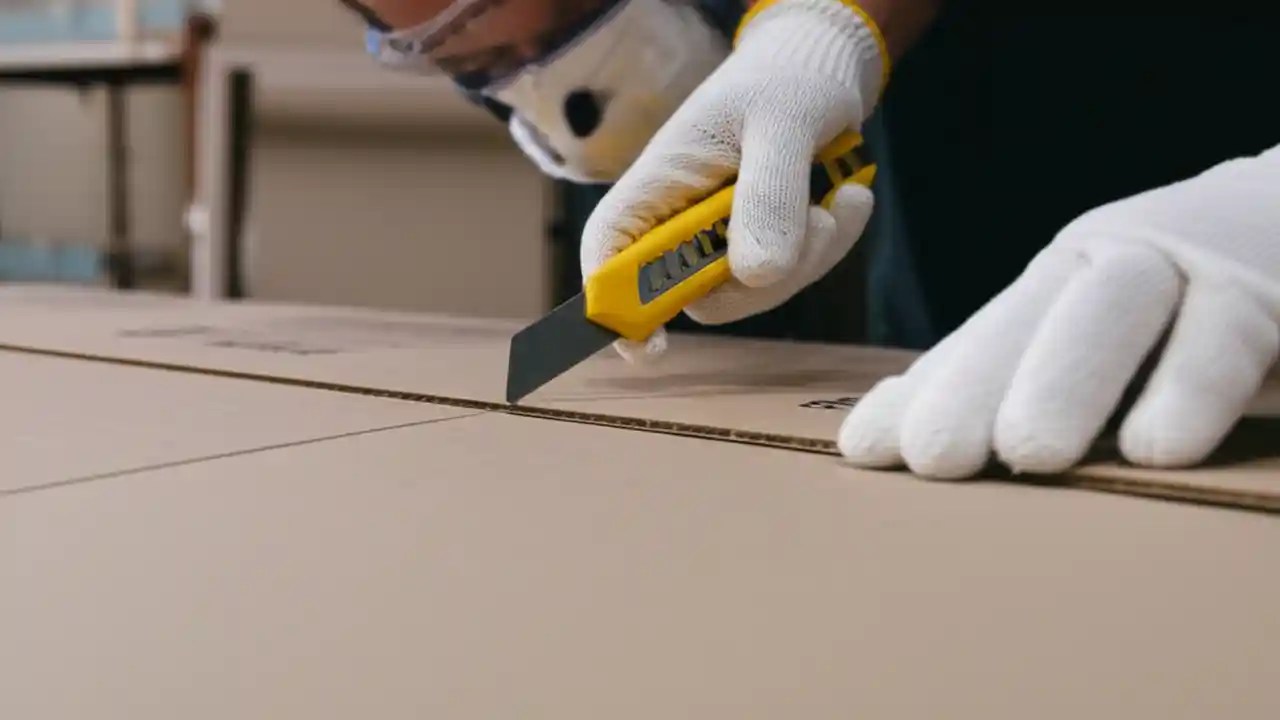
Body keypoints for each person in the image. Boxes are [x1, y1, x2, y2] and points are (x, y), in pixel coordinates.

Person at [343, 0, 1279, 479]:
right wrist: (824, 28)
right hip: (959, 302)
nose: (551, 75)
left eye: (572, 15)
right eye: (473, 62)